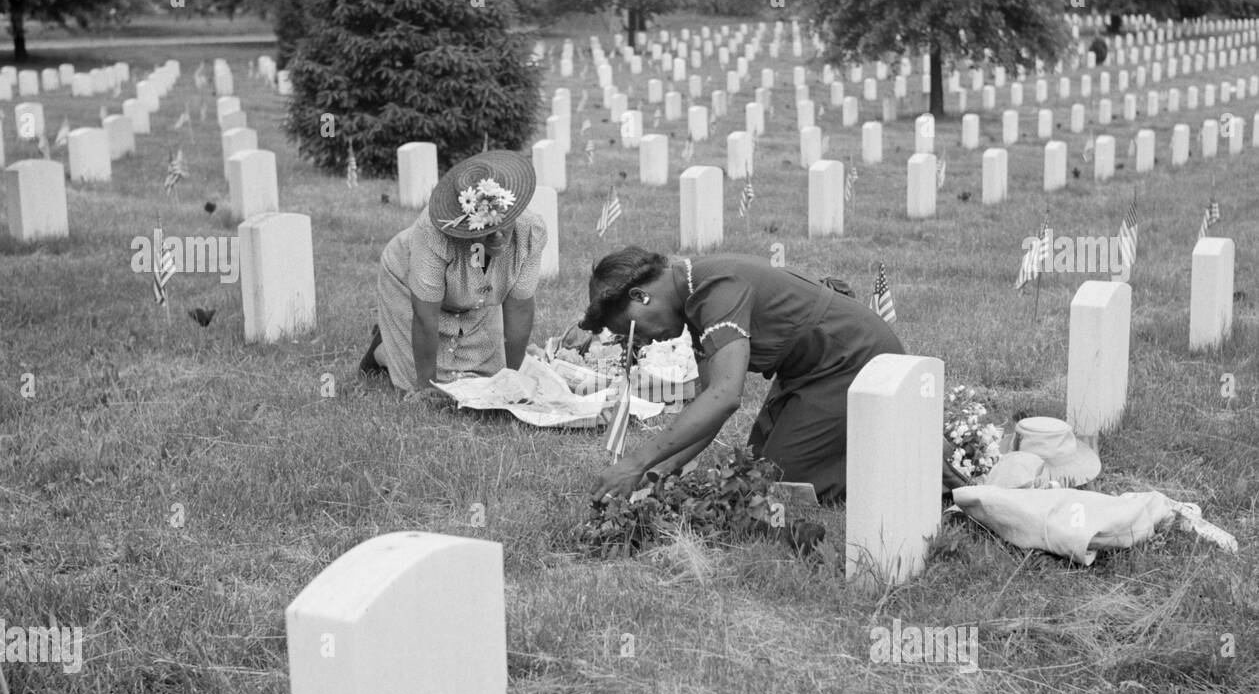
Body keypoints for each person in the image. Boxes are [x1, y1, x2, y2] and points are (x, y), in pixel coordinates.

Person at [583, 248, 968, 504]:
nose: (645, 339)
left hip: (852, 360)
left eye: (635, 328)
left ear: (639, 296)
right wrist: (656, 473)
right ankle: (897, 442)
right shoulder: (693, 298)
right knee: (757, 470)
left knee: (787, 485)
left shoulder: (715, 287)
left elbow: (726, 395)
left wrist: (635, 462)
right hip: (809, 372)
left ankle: (929, 473)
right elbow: (710, 408)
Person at [359, 150, 546, 396]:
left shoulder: (531, 232)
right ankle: (383, 349)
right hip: (406, 281)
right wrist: (426, 389)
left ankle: (394, 339)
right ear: (467, 226)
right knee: (427, 385)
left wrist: (512, 378)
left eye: (504, 225)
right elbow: (426, 316)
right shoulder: (433, 234)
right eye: (487, 230)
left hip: (473, 295)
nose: (498, 236)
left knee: (484, 378)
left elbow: (519, 308)